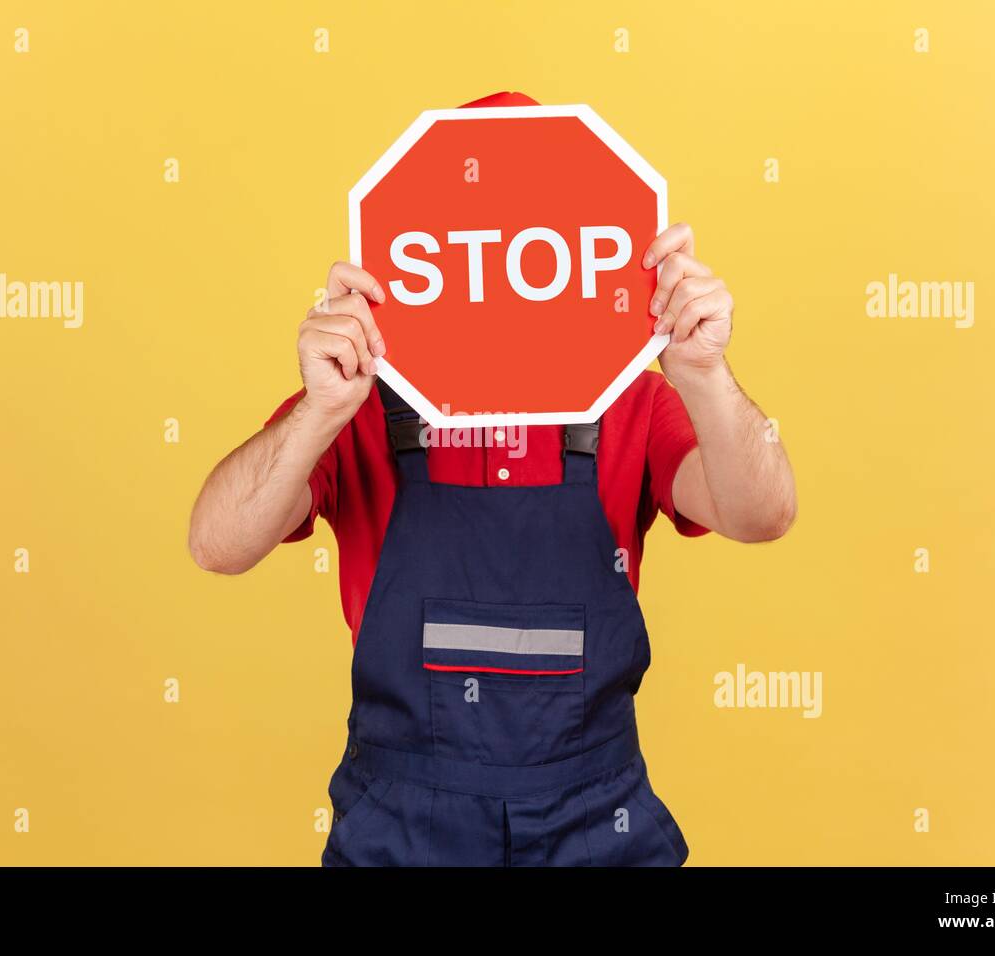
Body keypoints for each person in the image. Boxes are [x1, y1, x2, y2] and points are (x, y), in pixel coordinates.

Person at [188, 92, 796, 866]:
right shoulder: (359, 400)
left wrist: (705, 373)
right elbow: (216, 544)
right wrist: (318, 409)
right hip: (400, 829)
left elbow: (764, 512)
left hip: (597, 820)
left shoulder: (631, 400)